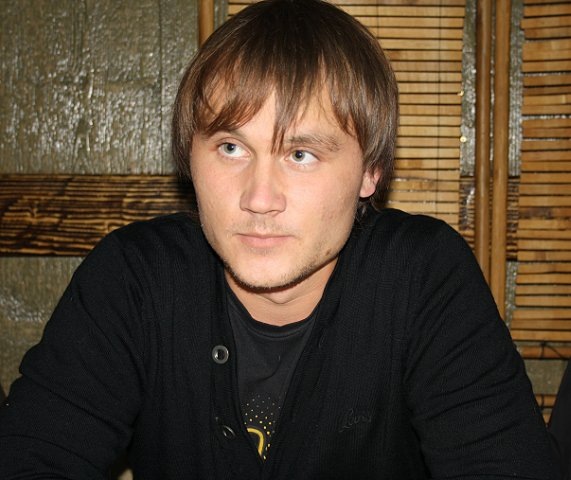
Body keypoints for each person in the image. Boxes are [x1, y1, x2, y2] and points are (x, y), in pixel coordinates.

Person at [0, 0, 560, 478]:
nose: (259, 197)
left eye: (301, 154)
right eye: (231, 148)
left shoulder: (422, 277)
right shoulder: (135, 279)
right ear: (189, 161)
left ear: (370, 172)